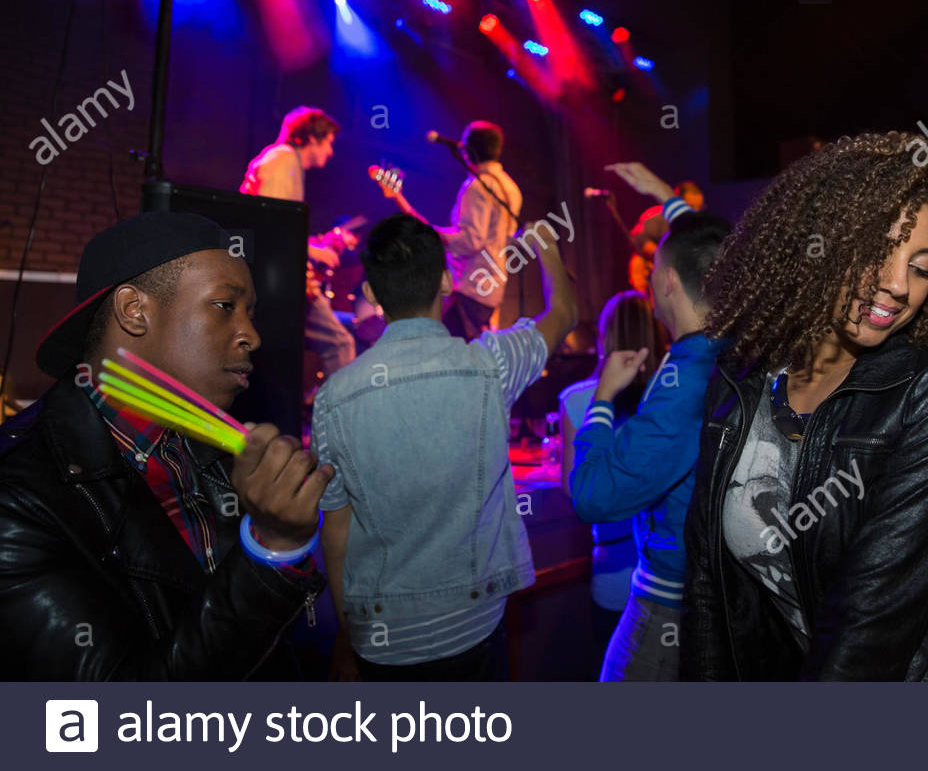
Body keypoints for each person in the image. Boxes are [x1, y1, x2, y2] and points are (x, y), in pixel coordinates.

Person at [683, 131, 928, 680]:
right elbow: (708, 581)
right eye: (879, 249)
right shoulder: (740, 377)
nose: (899, 284)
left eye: (922, 267)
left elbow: (870, 619)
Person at [0, 212, 331, 678]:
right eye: (223, 306)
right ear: (135, 310)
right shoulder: (22, 492)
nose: (251, 336)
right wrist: (270, 548)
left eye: (250, 312)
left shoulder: (213, 443)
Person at [315, 212, 576, 681]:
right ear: (444, 280)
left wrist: (346, 635)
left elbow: (336, 531)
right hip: (475, 623)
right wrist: (548, 250)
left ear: (371, 294)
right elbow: (563, 316)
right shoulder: (491, 363)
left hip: (384, 637)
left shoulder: (334, 397)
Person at [568, 162, 730, 681]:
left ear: (665, 282)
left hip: (670, 603)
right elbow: (720, 253)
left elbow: (594, 494)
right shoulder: (742, 341)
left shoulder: (686, 379)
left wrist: (602, 401)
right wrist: (669, 198)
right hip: (717, 590)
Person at [558, 291, 666, 678]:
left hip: (612, 570)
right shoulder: (668, 396)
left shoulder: (577, 399)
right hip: (665, 571)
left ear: (604, 339)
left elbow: (575, 489)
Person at [240, 106, 356, 376]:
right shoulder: (283, 160)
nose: (331, 151)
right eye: (328, 142)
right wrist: (316, 252)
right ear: (312, 138)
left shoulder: (284, 161)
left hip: (269, 277)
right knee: (340, 344)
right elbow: (272, 227)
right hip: (274, 281)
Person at [435, 122, 523, 340]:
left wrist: (436, 234)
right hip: (492, 288)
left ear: (469, 151)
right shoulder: (511, 187)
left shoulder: (477, 187)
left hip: (470, 287)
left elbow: (471, 241)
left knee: (440, 353)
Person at [628, 181, 705, 294]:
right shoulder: (659, 216)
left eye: (699, 208)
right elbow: (639, 239)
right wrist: (662, 257)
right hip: (652, 278)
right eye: (691, 207)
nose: (695, 212)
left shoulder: (698, 227)